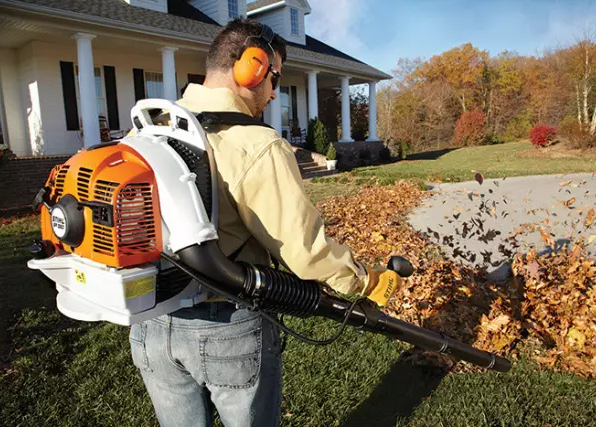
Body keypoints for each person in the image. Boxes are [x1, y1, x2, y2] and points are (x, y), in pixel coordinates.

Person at [129, 18, 402, 427]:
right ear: (251, 66)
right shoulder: (256, 144)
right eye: (274, 78)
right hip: (227, 325)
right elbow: (306, 252)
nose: (274, 93)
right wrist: (364, 282)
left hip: (150, 322)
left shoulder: (150, 132)